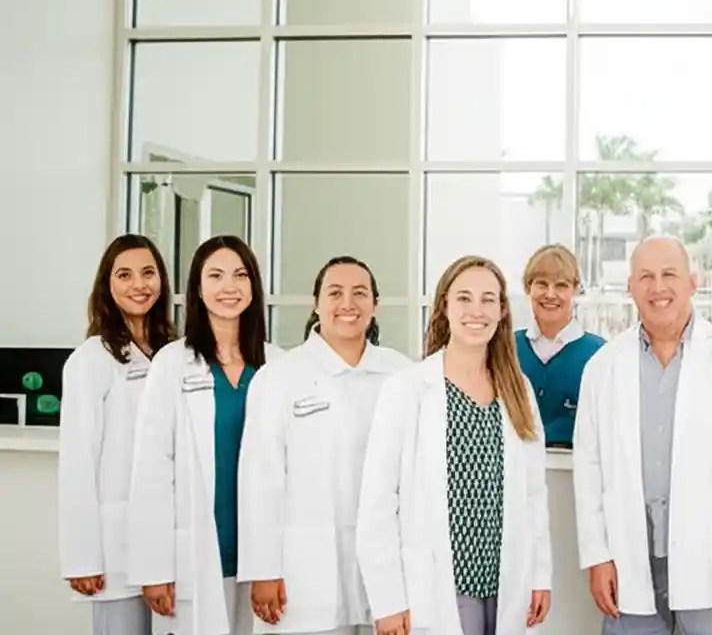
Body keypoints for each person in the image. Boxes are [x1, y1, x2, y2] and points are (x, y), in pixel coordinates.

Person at [573, 236, 712, 635]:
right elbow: (588, 469)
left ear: (693, 281)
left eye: (669, 274)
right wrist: (597, 557)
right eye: (646, 277)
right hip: (628, 562)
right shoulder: (603, 367)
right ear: (630, 287)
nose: (658, 287)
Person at [357, 255, 552, 635]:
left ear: (501, 312)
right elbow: (378, 502)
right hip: (437, 584)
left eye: (487, 300)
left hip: (505, 579)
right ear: (445, 306)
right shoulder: (408, 388)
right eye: (464, 298)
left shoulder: (517, 390)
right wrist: (388, 600)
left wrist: (540, 573)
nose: (476, 311)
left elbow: (534, 493)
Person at [238, 256, 412, 634]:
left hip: (385, 572)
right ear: (316, 303)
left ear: (375, 305)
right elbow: (260, 482)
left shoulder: (400, 374)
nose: (347, 303)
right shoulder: (279, 377)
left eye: (359, 293)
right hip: (302, 570)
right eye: (335, 293)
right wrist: (264, 570)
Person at [129, 235, 283, 635]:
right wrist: (154, 566)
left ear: (254, 286)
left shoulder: (279, 364)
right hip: (194, 552)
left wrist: (279, 561)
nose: (229, 287)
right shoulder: (172, 363)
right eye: (215, 275)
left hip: (263, 557)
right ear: (197, 288)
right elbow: (151, 470)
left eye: (240, 275)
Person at [59, 234, 175, 635]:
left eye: (148, 273)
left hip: (170, 542)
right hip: (115, 548)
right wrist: (82, 558)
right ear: (106, 286)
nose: (138, 284)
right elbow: (77, 463)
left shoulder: (175, 353)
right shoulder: (90, 360)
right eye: (124, 275)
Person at [514, 244, 606, 447]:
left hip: (574, 473)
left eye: (561, 285)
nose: (550, 294)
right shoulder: (507, 349)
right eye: (541, 284)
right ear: (528, 287)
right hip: (515, 473)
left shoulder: (600, 355)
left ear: (576, 289)